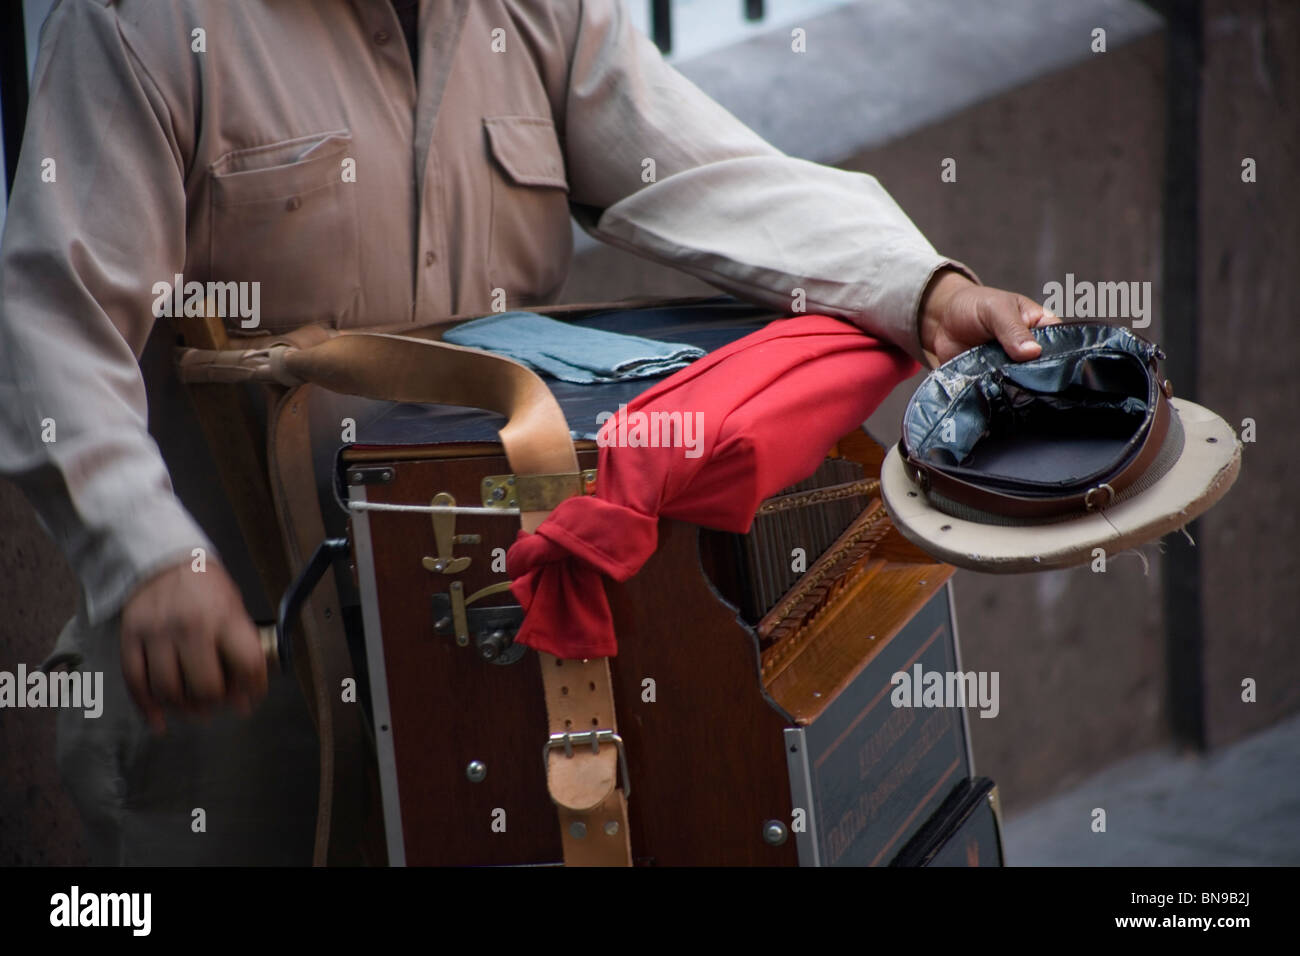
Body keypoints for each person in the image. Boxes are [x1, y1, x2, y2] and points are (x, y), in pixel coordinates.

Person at [0, 0, 1056, 864]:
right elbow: (49, 319)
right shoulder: (141, 24)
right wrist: (146, 556)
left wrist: (921, 289)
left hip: (487, 653)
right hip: (241, 682)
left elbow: (707, 170)